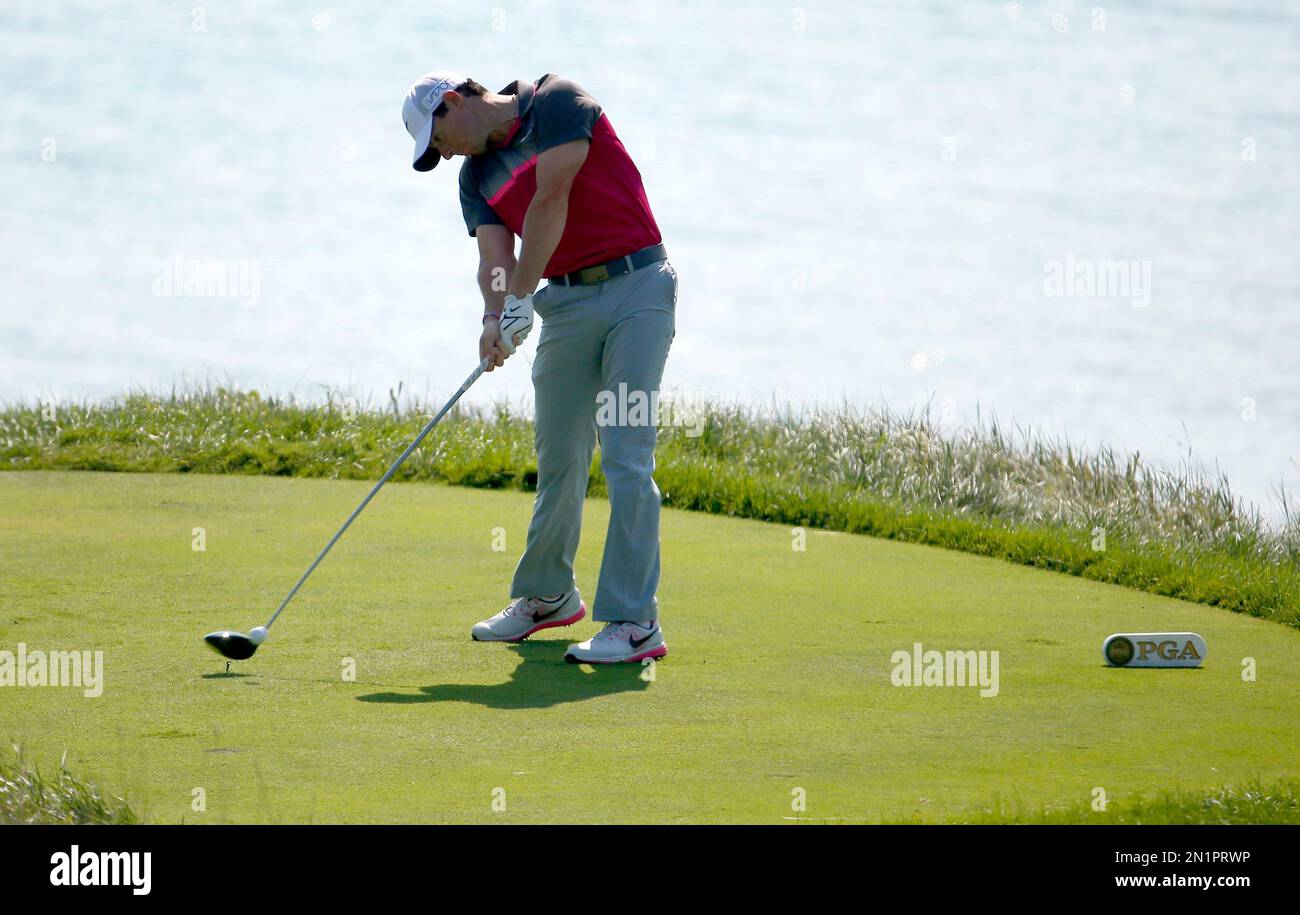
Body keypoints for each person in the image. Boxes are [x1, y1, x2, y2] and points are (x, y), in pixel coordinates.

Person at [402, 70, 676, 664]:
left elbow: (553, 202)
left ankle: (636, 622)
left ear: (453, 101)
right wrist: (494, 316)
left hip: (638, 290)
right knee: (560, 457)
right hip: (566, 305)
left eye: (438, 139)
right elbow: (495, 260)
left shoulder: (556, 102)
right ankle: (549, 594)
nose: (443, 154)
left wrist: (521, 298)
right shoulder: (476, 176)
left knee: (626, 454)